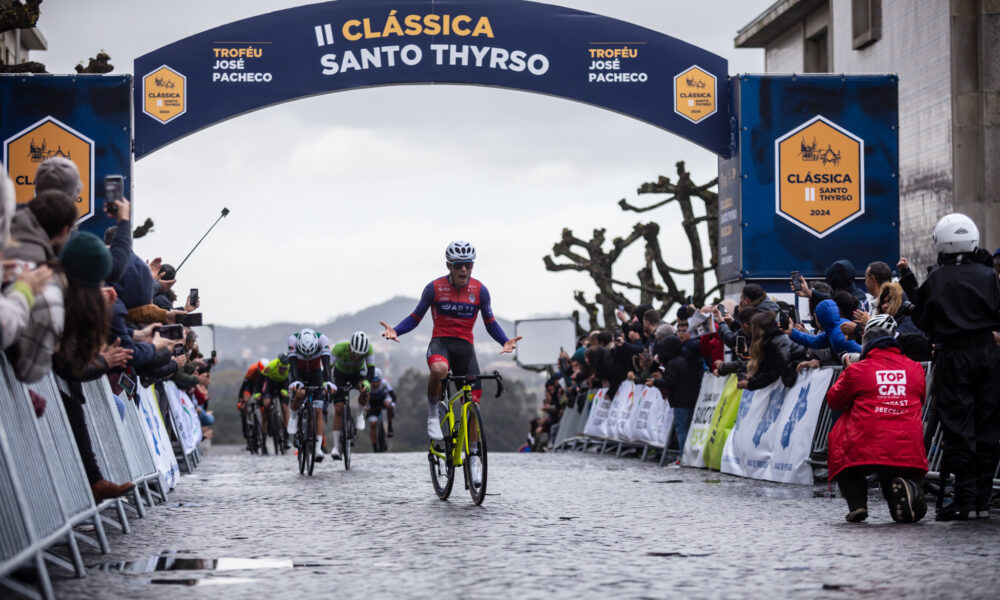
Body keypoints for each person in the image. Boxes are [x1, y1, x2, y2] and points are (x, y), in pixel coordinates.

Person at [379, 241, 520, 462]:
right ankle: (434, 413)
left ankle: (473, 457)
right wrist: (396, 330)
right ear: (449, 266)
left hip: (466, 349)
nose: (464, 269)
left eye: (468, 264)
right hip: (441, 343)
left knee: (472, 405)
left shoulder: (480, 291)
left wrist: (504, 341)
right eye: (458, 265)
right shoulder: (434, 288)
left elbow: (490, 323)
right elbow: (416, 317)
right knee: (440, 369)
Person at [912, 213, 1000, 521]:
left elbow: (922, 318)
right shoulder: (989, 276)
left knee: (958, 427)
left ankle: (965, 499)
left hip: (954, 355)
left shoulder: (937, 277)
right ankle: (982, 498)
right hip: (988, 354)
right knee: (988, 425)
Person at [825, 322, 928, 523]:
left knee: (842, 451)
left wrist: (847, 371)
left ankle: (858, 505)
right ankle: (909, 492)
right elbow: (921, 398)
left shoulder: (858, 371)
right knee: (895, 472)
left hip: (865, 444)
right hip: (908, 446)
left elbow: (834, 400)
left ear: (865, 347)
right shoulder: (915, 368)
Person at [286, 328, 336, 462]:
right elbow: (293, 364)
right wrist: (295, 380)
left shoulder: (323, 340)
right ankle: (294, 415)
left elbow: (326, 365)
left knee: (318, 410)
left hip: (315, 372)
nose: (308, 356)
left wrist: (328, 382)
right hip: (299, 372)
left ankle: (318, 448)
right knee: (300, 393)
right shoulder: (293, 340)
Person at [328, 331, 374, 459]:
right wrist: (328, 382)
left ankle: (360, 414)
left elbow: (371, 369)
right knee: (338, 408)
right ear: (350, 347)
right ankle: (336, 447)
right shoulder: (339, 348)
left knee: (365, 390)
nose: (357, 357)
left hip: (357, 373)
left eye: (360, 356)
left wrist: (367, 382)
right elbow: (328, 366)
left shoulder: (369, 349)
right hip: (340, 374)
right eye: (354, 354)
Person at [261, 353, 291, 448]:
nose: (283, 370)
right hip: (270, 383)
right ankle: (267, 426)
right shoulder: (271, 365)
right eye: (281, 368)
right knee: (266, 404)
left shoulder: (290, 367)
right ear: (278, 365)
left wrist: (286, 390)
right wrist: (258, 392)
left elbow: (292, 380)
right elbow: (260, 378)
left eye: (285, 369)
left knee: (285, 409)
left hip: (283, 384)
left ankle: (286, 437)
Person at [366, 367, 398, 451]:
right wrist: (365, 406)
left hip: (383, 400)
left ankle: (390, 427)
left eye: (377, 381)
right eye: (373, 381)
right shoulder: (367, 385)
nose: (375, 383)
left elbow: (392, 395)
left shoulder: (384, 383)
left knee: (389, 404)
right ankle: (375, 447)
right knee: (373, 424)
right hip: (372, 403)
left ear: (380, 380)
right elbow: (364, 398)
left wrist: (393, 403)